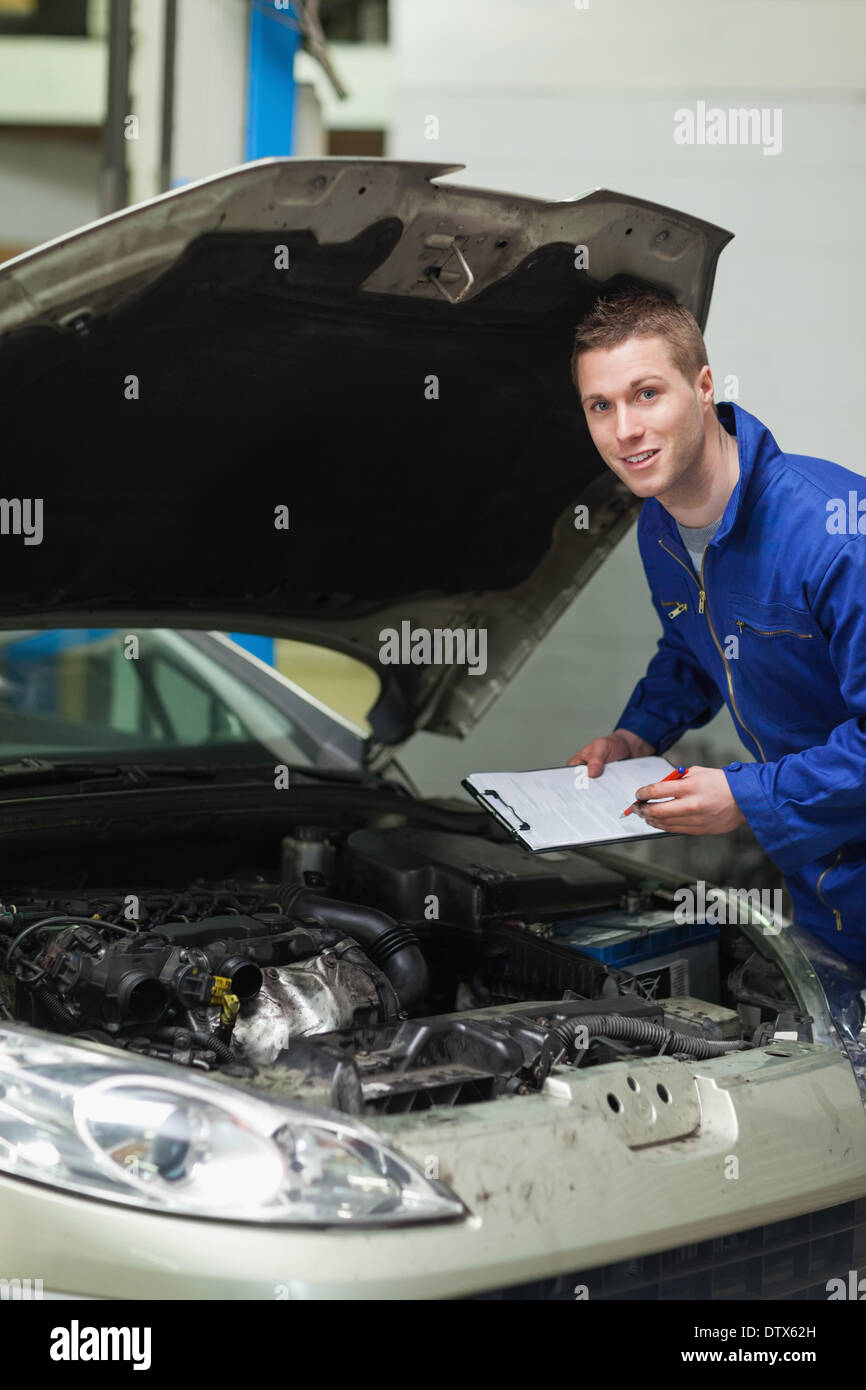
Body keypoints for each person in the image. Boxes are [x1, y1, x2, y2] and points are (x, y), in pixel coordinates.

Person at [567, 286, 866, 969]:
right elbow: (695, 647)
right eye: (601, 406)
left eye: (647, 394)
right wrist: (636, 734)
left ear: (704, 386)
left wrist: (746, 798)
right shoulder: (660, 528)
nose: (625, 431)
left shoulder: (838, 534)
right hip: (822, 881)